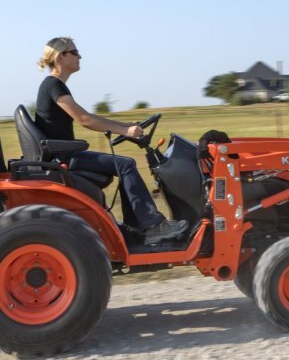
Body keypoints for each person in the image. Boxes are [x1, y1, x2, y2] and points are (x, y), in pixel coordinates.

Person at [35, 36, 187, 244]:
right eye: (75, 52)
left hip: (64, 153)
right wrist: (124, 131)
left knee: (124, 165)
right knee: (125, 164)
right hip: (63, 157)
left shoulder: (54, 85)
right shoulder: (54, 85)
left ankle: (138, 228)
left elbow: (89, 117)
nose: (80, 56)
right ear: (60, 57)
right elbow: (85, 119)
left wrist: (125, 127)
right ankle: (153, 226)